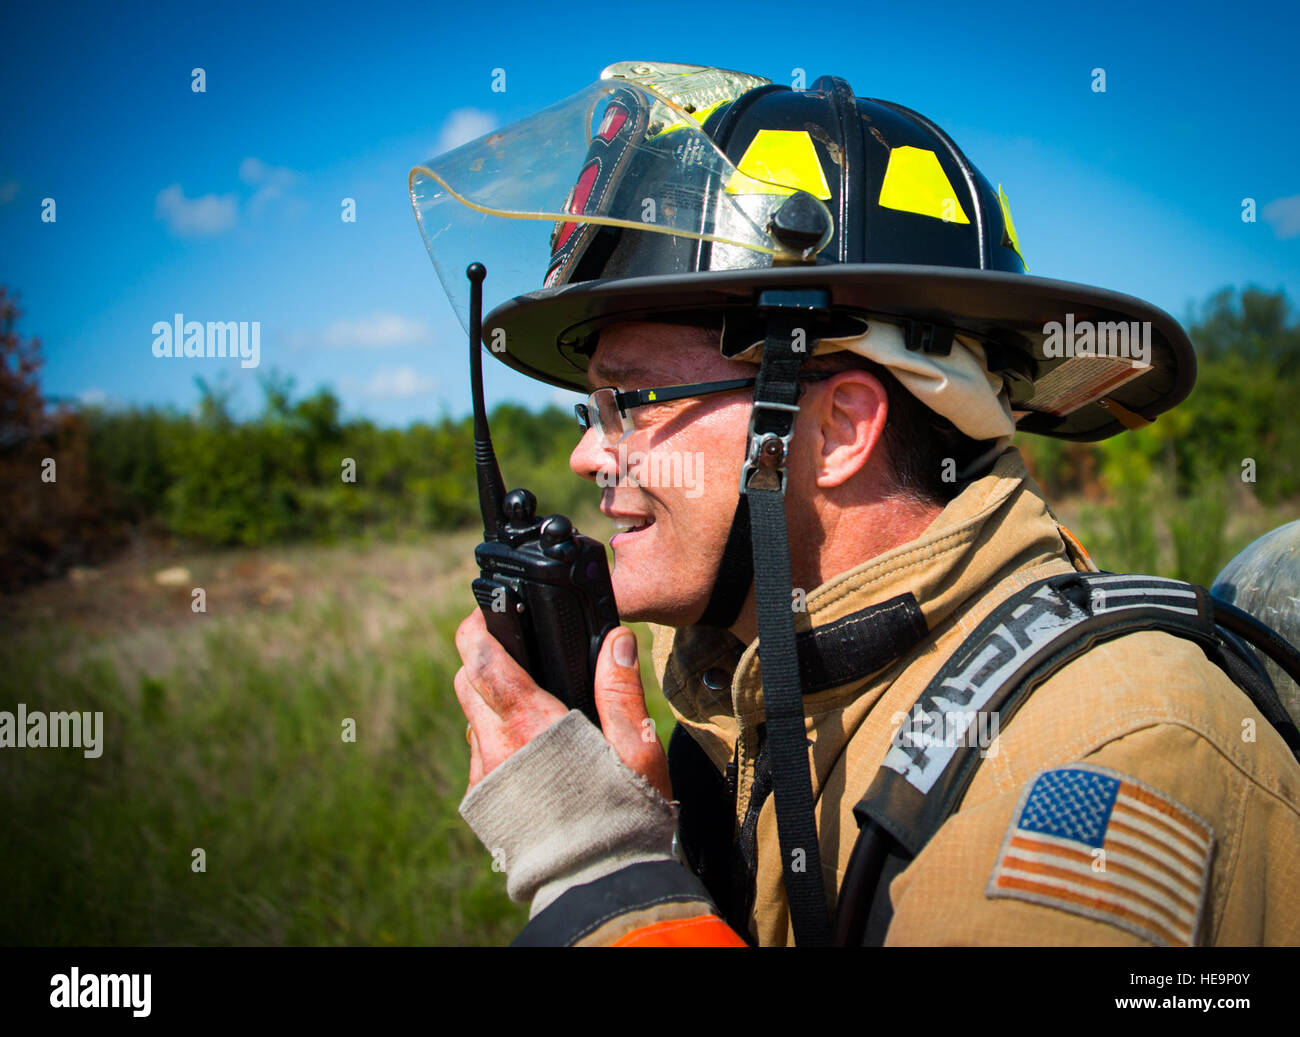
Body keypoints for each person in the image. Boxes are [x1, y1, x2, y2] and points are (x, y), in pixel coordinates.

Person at [412, 61, 1300, 946]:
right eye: (589, 408)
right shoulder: (756, 701)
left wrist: (599, 872)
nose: (584, 453)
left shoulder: (1102, 752)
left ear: (837, 429)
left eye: (628, 403)